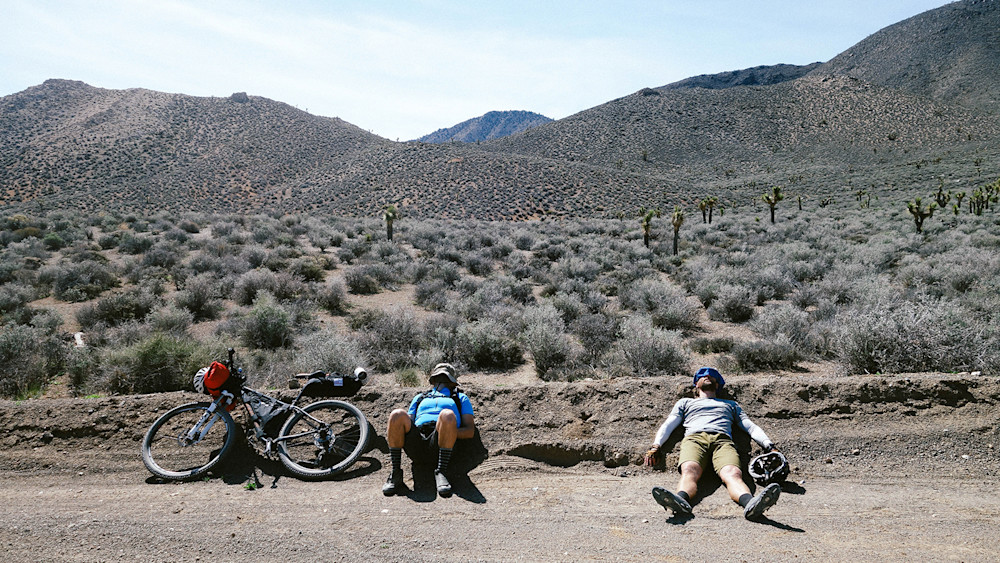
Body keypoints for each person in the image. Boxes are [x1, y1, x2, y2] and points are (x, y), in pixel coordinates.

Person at [644, 367, 782, 520]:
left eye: (712, 376)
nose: (707, 376)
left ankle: (751, 505)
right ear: (696, 384)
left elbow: (749, 426)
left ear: (717, 385)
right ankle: (680, 501)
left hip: (722, 440)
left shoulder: (731, 404)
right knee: (689, 470)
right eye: (702, 375)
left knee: (733, 473)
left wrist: (769, 446)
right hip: (694, 438)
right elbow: (669, 424)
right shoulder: (685, 402)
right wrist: (656, 445)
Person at [382, 363, 475, 498]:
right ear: (433, 380)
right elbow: (404, 424)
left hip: (441, 444)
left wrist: (447, 432)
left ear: (452, 382)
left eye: (445, 378)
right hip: (418, 442)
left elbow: (469, 430)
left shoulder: (460, 398)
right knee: (397, 414)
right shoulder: (420, 397)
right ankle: (396, 473)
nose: (441, 381)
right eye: (438, 377)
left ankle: (441, 471)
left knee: (447, 415)